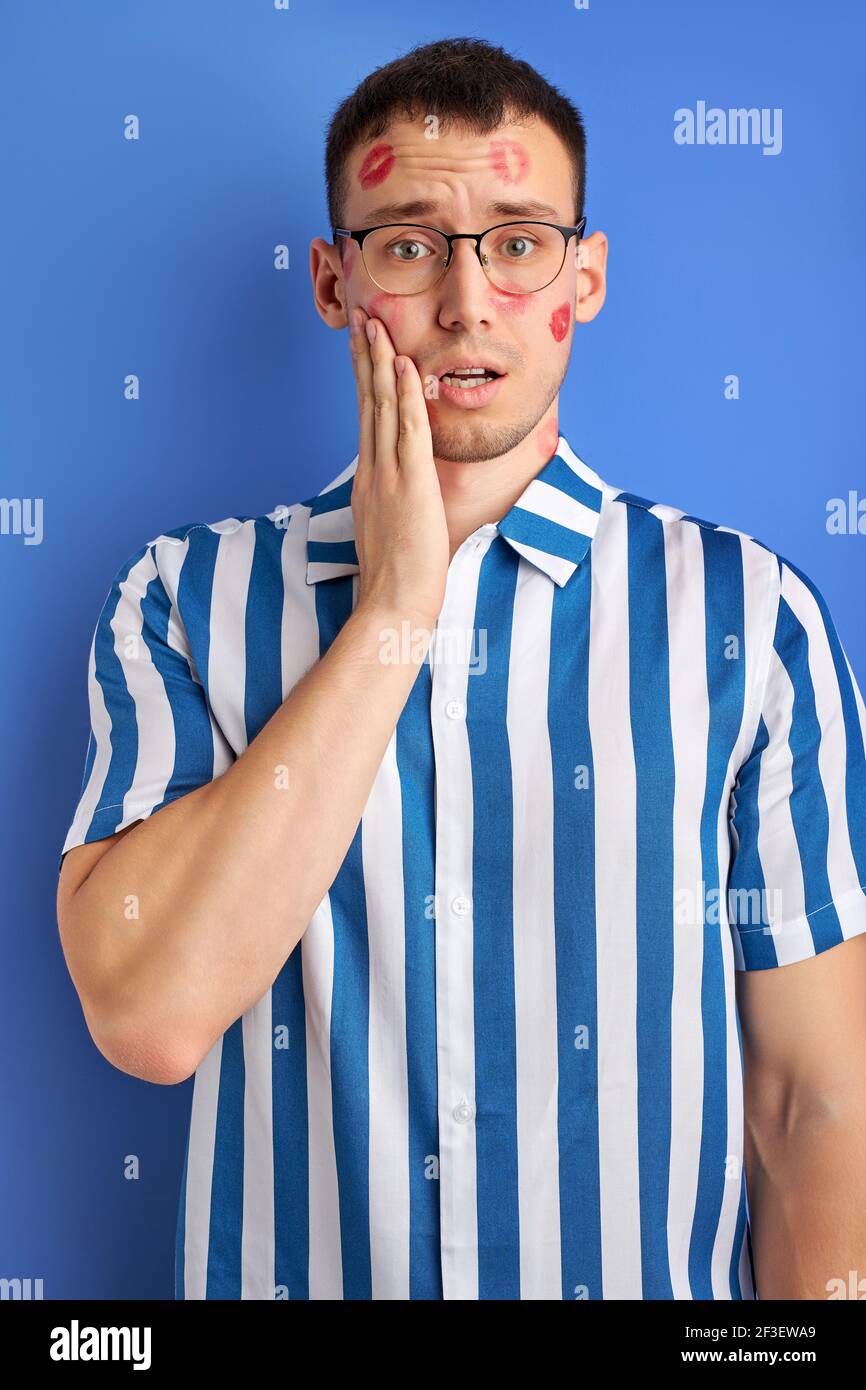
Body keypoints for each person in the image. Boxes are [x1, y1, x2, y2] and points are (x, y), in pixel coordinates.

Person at [56, 36, 866, 1301]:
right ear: (333, 282)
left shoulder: (746, 620)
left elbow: (810, 1103)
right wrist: (391, 610)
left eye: (517, 239)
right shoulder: (181, 599)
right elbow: (147, 1015)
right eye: (408, 242)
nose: (466, 303)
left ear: (583, 274)